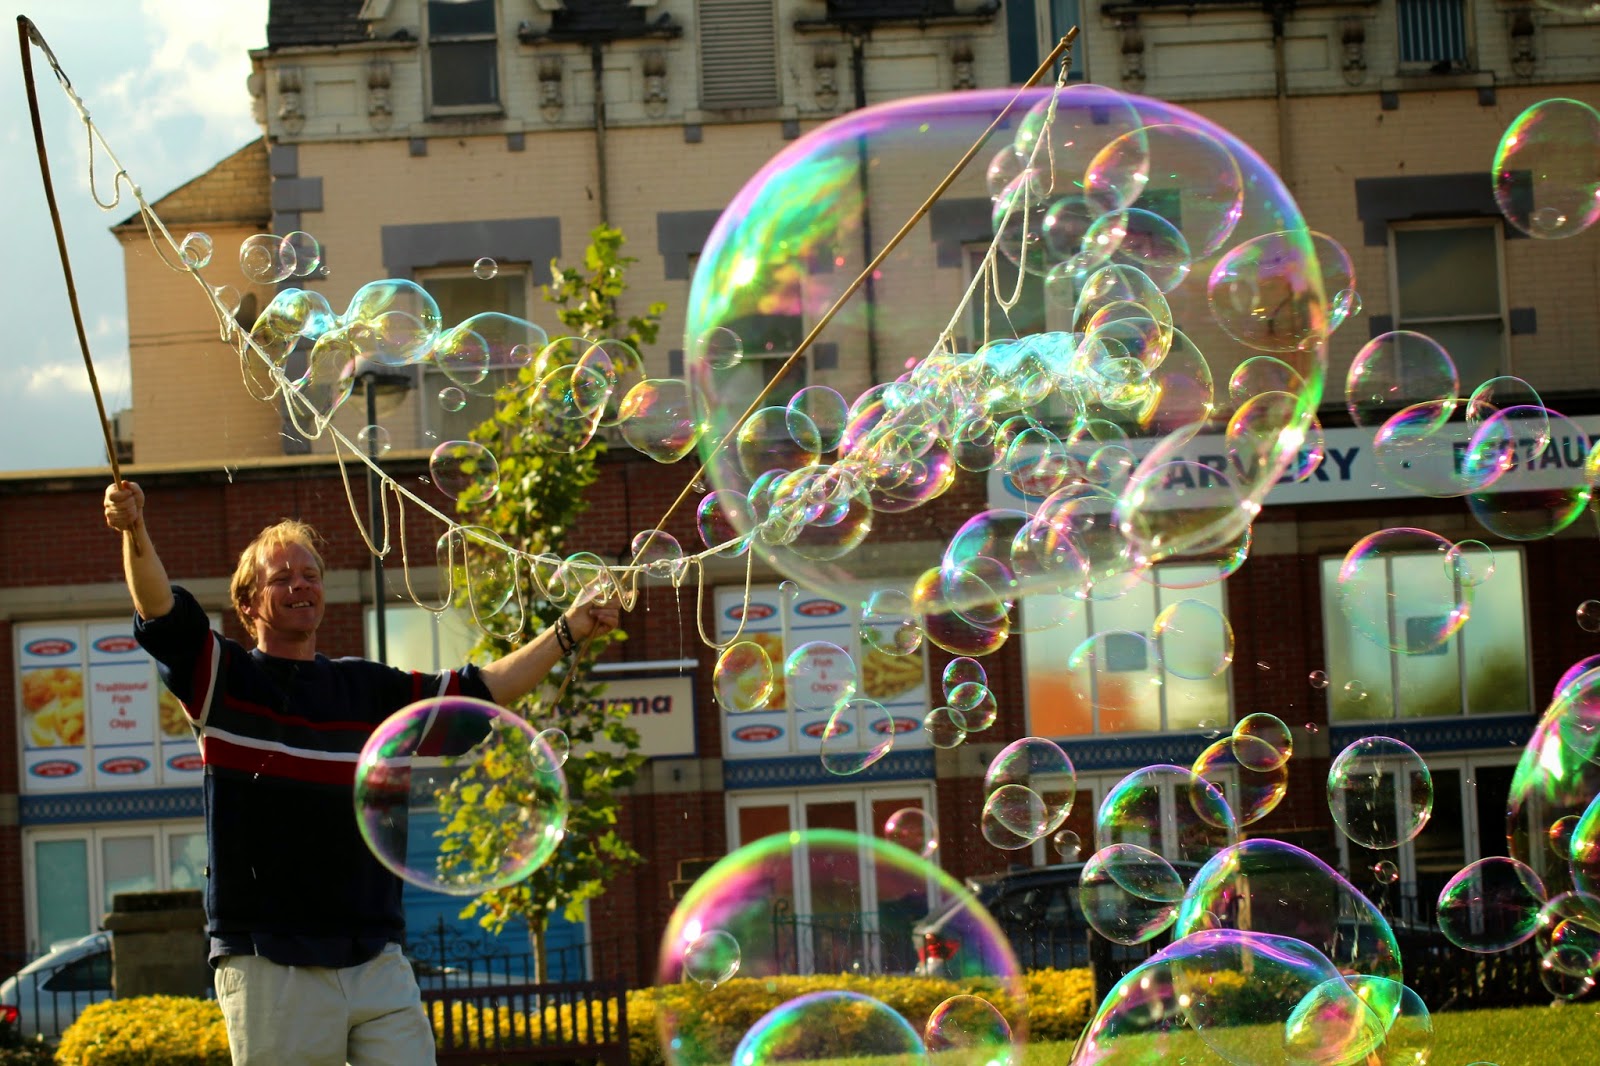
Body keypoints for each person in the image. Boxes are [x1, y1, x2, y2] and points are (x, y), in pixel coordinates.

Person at [103, 480, 619, 1066]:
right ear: (248, 605)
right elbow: (161, 612)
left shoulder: (371, 690)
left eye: (311, 574)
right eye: (282, 577)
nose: (301, 584)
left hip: (377, 958)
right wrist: (133, 529)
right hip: (271, 962)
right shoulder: (223, 680)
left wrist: (567, 632)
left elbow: (481, 691)